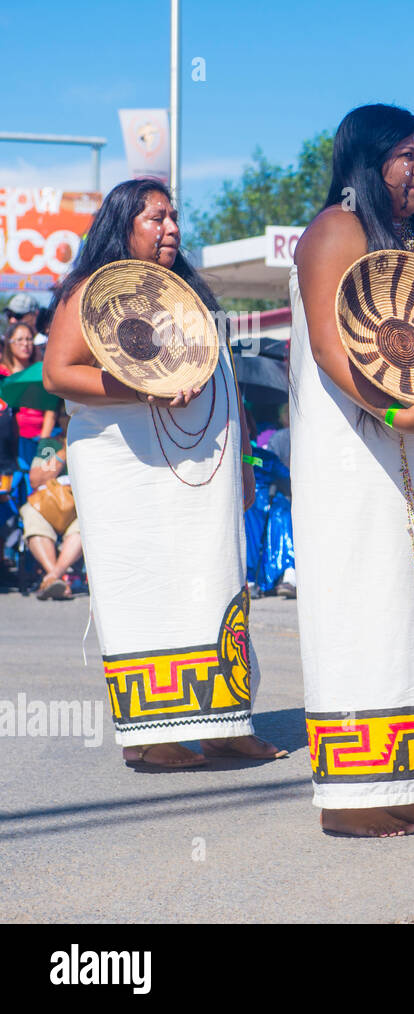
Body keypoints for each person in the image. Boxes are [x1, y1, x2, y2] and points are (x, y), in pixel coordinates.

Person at [42, 177, 285, 769]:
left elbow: (225, 383)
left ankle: (227, 723)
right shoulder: (89, 291)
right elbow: (57, 374)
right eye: (156, 218)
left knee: (216, 580)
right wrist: (141, 387)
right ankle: (153, 735)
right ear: (122, 224)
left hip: (205, 462)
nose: (171, 228)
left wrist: (247, 460)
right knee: (142, 586)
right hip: (125, 468)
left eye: (174, 217)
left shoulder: (189, 294)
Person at [290, 103, 414, 837]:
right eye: (404, 155)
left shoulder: (411, 243)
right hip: (354, 453)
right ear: (368, 161)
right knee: (362, 606)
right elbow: (335, 351)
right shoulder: (335, 231)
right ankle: (348, 798)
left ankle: (407, 776)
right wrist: (398, 415)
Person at [19, 436, 82, 599]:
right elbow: (35, 480)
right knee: (32, 517)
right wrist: (64, 452)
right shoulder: (50, 445)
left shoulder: (94, 443)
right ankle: (57, 577)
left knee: (84, 526)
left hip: (78, 503)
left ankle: (52, 577)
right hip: (46, 502)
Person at [0, 321, 57, 463]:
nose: (25, 344)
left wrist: (43, 442)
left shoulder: (41, 372)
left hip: (38, 440)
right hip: (8, 443)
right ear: (9, 343)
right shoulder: (2, 374)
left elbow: (51, 410)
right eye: (20, 339)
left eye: (29, 339)